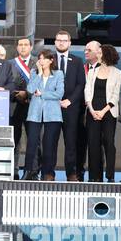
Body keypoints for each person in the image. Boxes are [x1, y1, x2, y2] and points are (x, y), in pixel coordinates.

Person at [84, 43, 121, 183]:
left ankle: (110, 175)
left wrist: (103, 111)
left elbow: (115, 95)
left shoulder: (117, 73)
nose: (97, 55)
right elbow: (87, 91)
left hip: (108, 112)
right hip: (93, 112)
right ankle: (95, 176)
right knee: (93, 144)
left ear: (106, 55)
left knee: (109, 142)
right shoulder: (92, 71)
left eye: (100, 53)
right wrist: (92, 110)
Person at [24, 48, 64, 181]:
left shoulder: (58, 74)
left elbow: (59, 94)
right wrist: (39, 74)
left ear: (51, 60)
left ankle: (48, 172)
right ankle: (29, 171)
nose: (41, 61)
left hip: (52, 114)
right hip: (35, 113)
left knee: (49, 144)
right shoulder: (34, 72)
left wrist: (43, 94)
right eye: (39, 58)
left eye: (44, 58)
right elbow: (30, 89)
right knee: (32, 142)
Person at [52, 31, 85, 182]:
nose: (61, 43)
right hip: (52, 106)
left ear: (70, 43)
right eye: (58, 40)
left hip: (71, 108)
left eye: (64, 40)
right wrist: (55, 100)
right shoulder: (49, 59)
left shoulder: (77, 61)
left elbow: (81, 84)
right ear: (55, 42)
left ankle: (71, 174)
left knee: (71, 142)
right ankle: (48, 173)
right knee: (50, 141)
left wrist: (69, 101)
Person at [5, 36, 34, 167]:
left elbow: (41, 84)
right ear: (17, 47)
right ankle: (14, 170)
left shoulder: (38, 62)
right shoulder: (10, 63)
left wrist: (26, 94)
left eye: (26, 44)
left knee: (34, 140)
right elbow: (5, 83)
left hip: (32, 106)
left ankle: (32, 171)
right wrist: (16, 94)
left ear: (31, 47)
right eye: (20, 44)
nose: (23, 47)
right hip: (13, 105)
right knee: (14, 139)